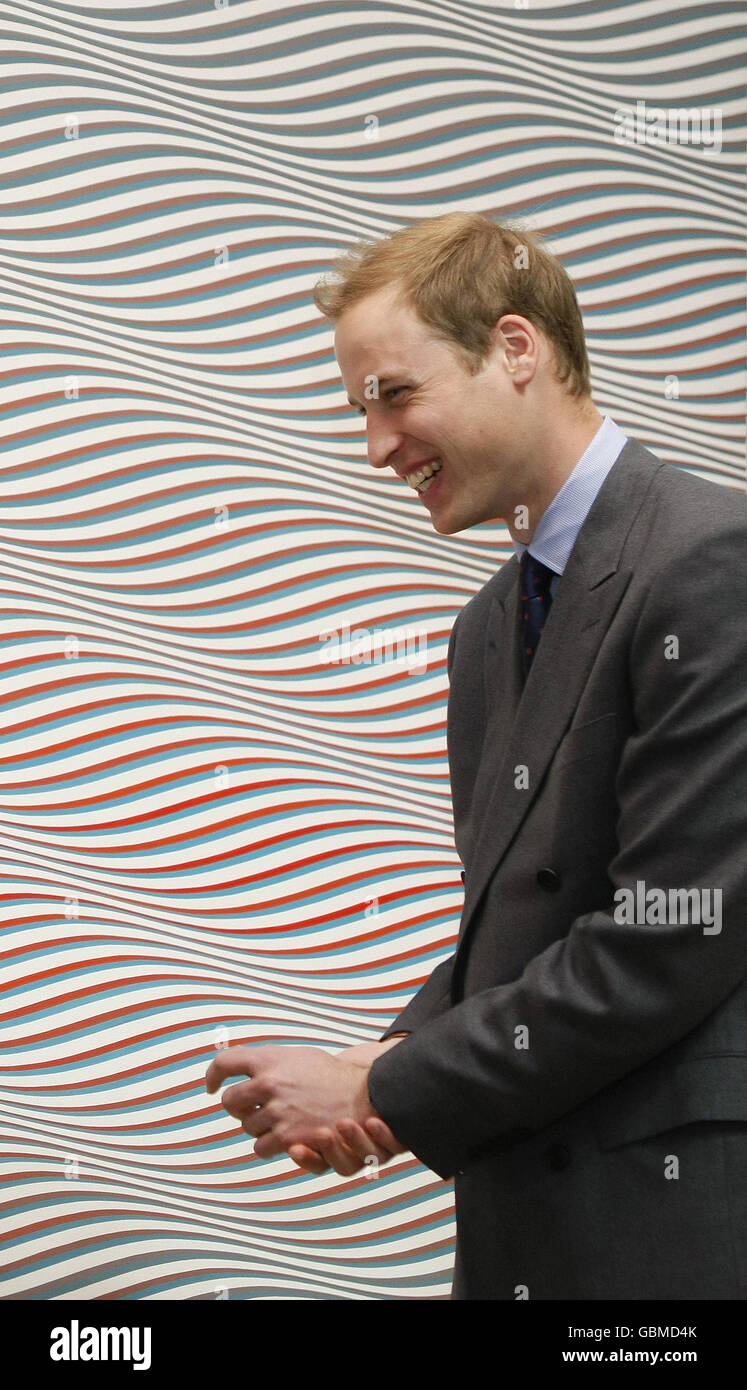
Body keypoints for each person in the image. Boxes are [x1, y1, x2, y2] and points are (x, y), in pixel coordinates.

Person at [206, 212, 747, 1300]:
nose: (376, 447)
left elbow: (667, 939)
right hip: (525, 1232)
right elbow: (520, 928)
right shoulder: (487, 626)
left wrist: (390, 1087)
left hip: (663, 1241)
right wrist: (381, 1061)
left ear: (515, 349)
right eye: (360, 409)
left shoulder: (710, 559)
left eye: (394, 395)